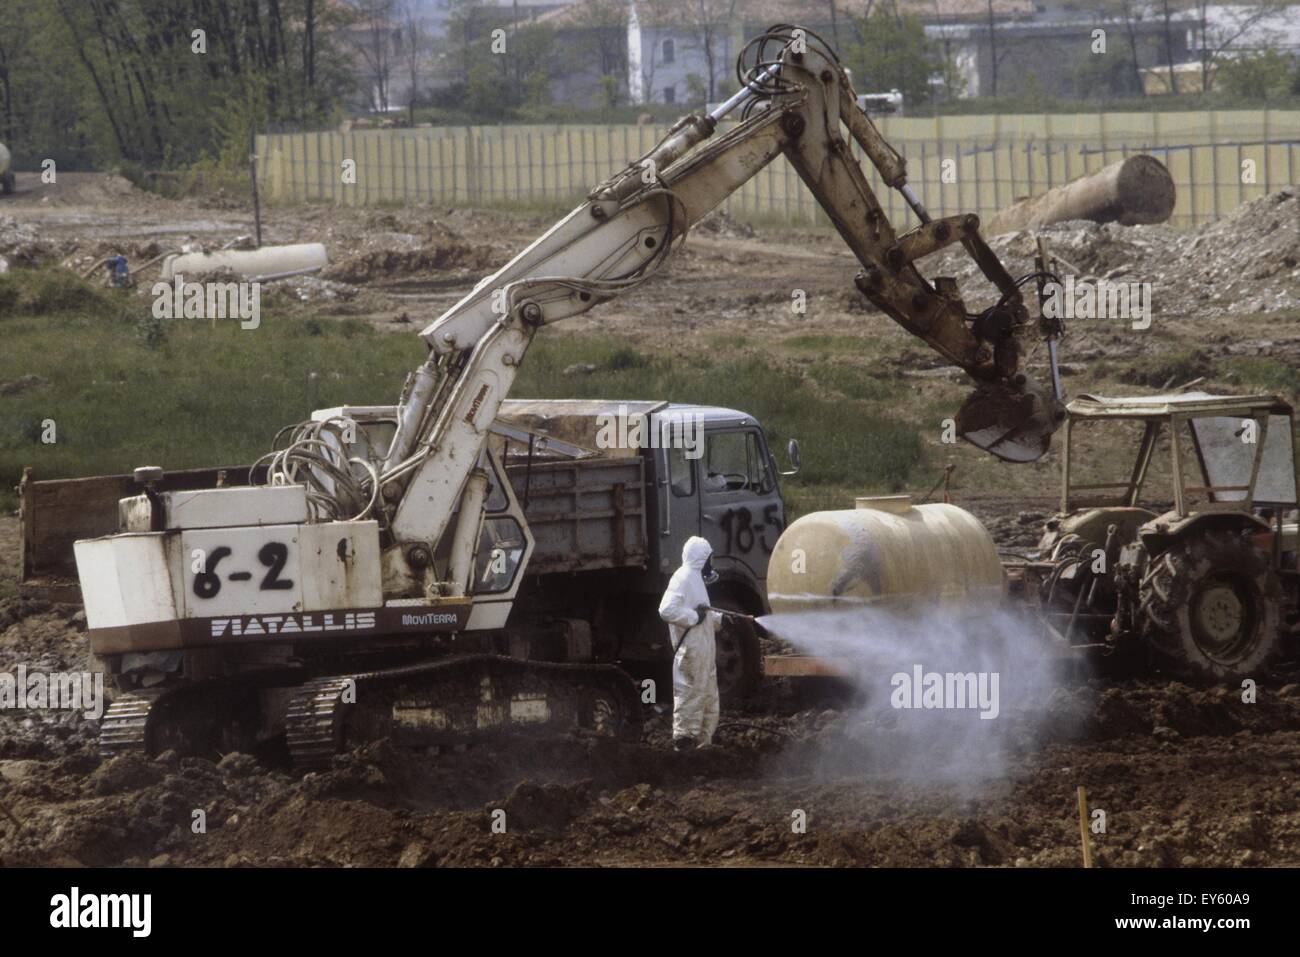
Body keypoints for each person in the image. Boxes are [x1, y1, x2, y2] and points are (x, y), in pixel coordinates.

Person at [658, 536, 723, 750]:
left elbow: (701, 610)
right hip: (692, 652)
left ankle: (703, 746)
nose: (711, 564)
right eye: (709, 559)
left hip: (703, 653)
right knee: (690, 698)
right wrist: (694, 617)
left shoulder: (695, 579)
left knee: (708, 699)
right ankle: (684, 746)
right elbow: (667, 610)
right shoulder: (683, 577)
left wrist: (718, 620)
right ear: (701, 558)